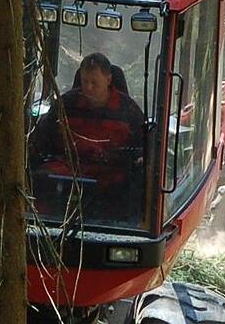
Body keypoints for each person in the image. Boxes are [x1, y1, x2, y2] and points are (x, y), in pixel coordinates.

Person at [30, 52, 148, 215]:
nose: (88, 87)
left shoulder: (129, 110)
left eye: (94, 83)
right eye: (85, 81)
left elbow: (144, 146)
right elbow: (43, 137)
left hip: (110, 175)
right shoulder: (66, 105)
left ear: (108, 79)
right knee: (40, 178)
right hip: (68, 169)